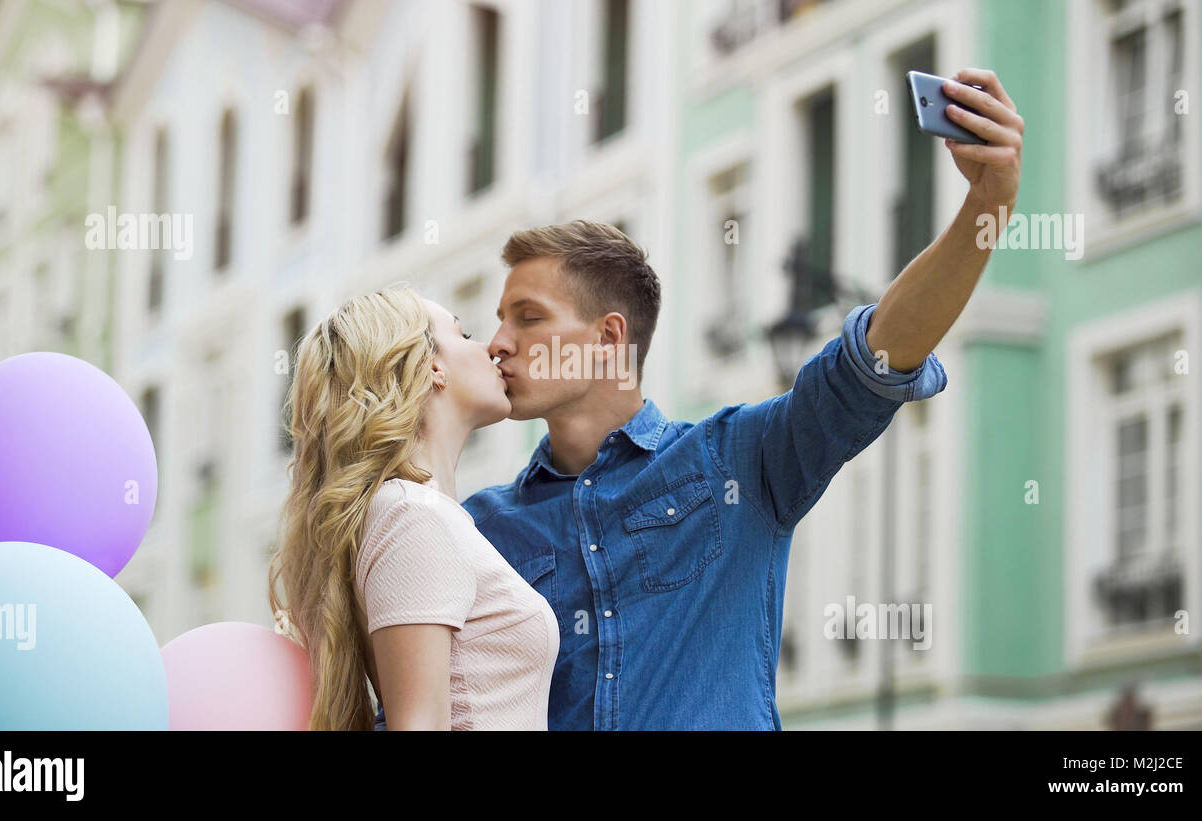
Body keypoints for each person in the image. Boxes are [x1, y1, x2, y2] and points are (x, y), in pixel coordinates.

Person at [370, 67, 1023, 730]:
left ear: (608, 338)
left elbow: (876, 357)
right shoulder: (478, 529)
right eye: (497, 321)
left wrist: (988, 205)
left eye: (528, 317)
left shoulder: (740, 461)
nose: (498, 343)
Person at [268, 287, 558, 730]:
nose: (490, 349)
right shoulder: (411, 515)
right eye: (465, 334)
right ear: (431, 367)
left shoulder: (420, 512)